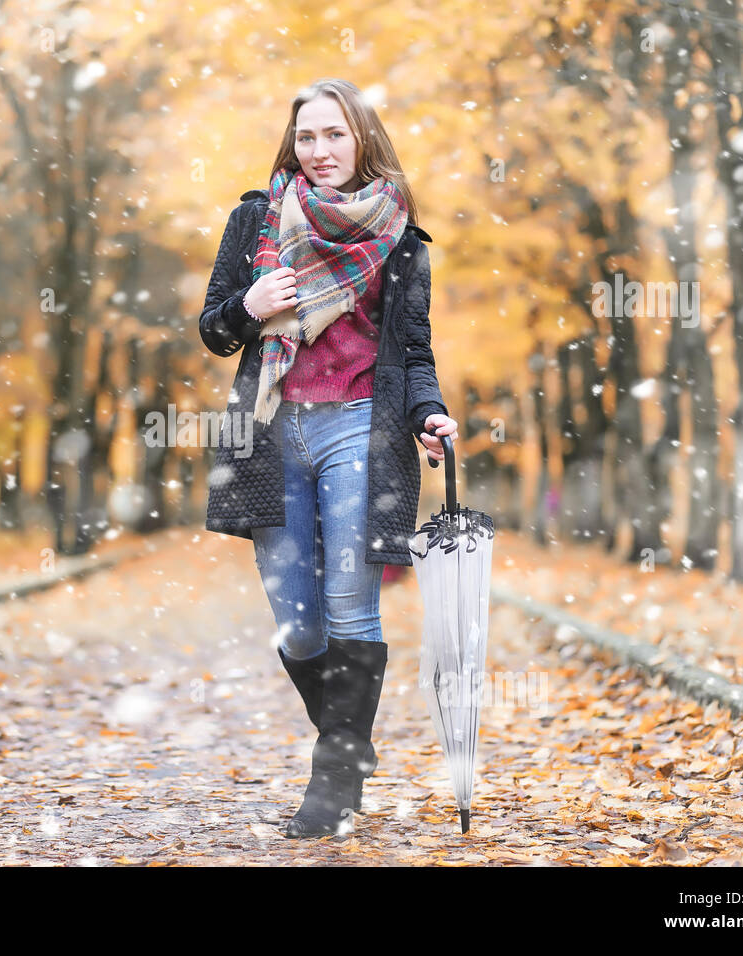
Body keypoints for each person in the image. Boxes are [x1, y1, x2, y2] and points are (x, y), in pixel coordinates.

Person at [198, 78, 459, 838]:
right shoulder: (256, 220)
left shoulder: (401, 238)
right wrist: (251, 306)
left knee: (351, 607)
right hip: (271, 432)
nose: (320, 151)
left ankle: (335, 776)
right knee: (297, 628)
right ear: (294, 144)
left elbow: (413, 354)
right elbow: (214, 330)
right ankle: (351, 740)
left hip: (359, 432)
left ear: (362, 139)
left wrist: (430, 411)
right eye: (307, 137)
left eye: (335, 135)